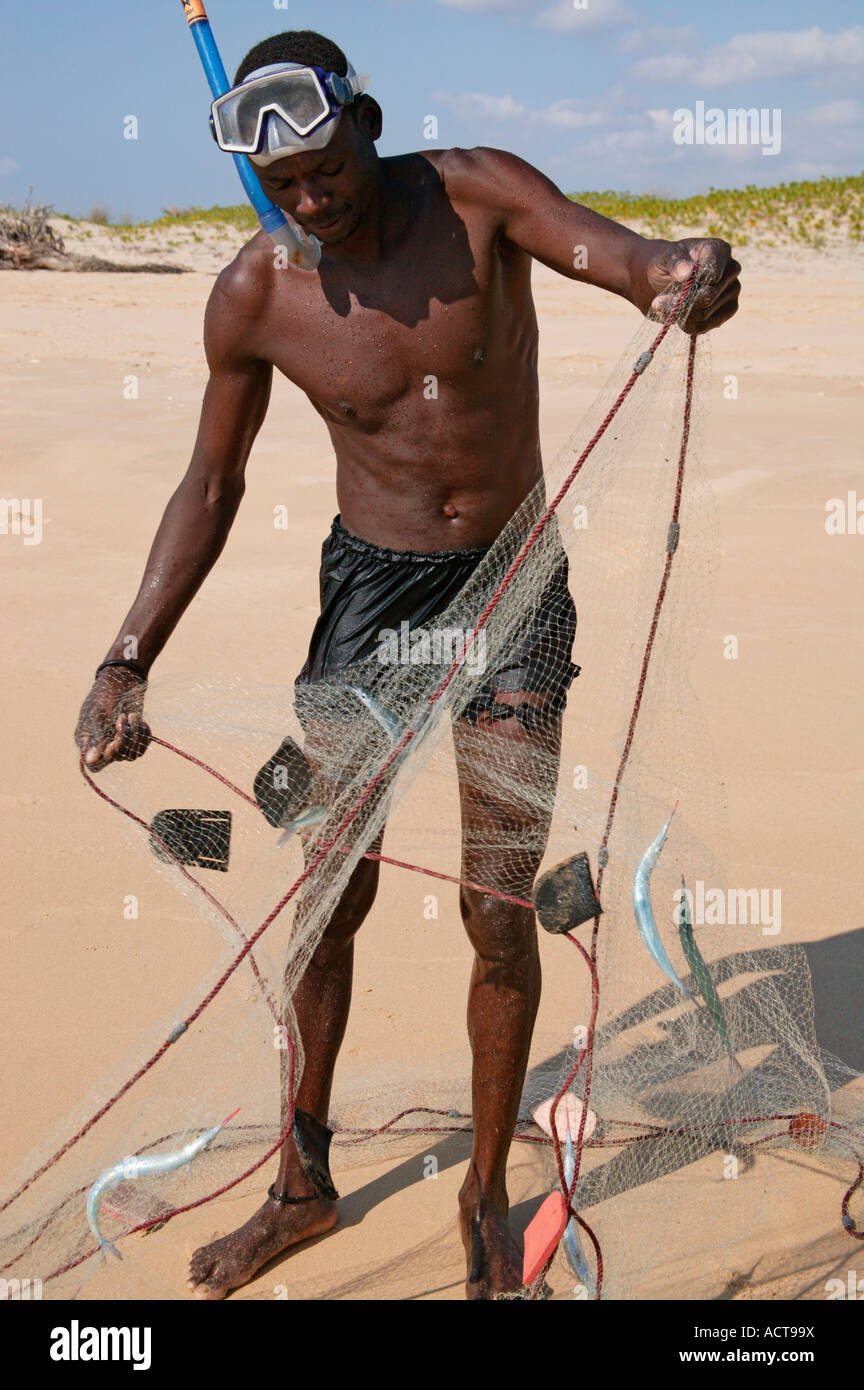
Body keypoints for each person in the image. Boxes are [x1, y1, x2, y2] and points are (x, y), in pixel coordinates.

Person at [74, 29, 741, 1299]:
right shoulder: (254, 294)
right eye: (285, 185)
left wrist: (681, 272)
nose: (311, 198)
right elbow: (210, 484)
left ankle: (485, 1186)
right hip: (370, 604)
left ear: (365, 126)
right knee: (329, 891)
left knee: (497, 906)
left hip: (515, 586)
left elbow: (621, 256)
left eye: (326, 168)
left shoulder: (477, 196)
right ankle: (301, 1183)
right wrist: (126, 655)